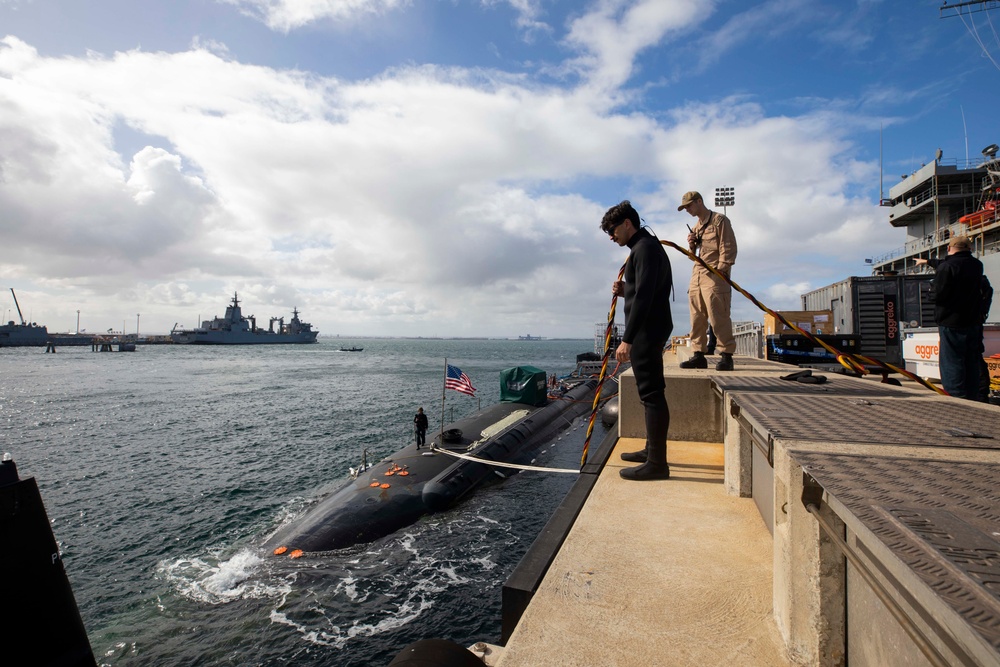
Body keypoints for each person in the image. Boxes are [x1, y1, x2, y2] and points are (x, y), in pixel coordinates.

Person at [602, 200, 673, 480]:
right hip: (651, 327)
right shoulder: (645, 246)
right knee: (649, 395)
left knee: (652, 395)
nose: (611, 237)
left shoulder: (644, 249)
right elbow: (645, 288)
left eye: (612, 230)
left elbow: (645, 296)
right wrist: (626, 289)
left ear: (627, 223)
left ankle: (657, 463)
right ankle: (651, 451)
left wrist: (627, 339)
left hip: (647, 330)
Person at [916, 241, 993, 401]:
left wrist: (930, 292)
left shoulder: (947, 267)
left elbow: (938, 294)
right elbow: (955, 265)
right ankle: (974, 397)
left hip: (951, 322)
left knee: (952, 362)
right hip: (973, 322)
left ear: (949, 248)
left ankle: (955, 398)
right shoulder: (976, 265)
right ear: (970, 248)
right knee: (971, 361)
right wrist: (928, 261)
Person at [677, 191, 738, 371]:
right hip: (697, 275)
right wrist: (691, 244)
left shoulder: (720, 221)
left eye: (689, 206)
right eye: (685, 207)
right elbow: (693, 256)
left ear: (699, 202)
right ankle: (698, 355)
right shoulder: (696, 227)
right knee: (696, 317)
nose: (687, 210)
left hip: (715, 274)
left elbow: (728, 246)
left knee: (718, 316)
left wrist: (721, 270)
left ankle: (726, 355)